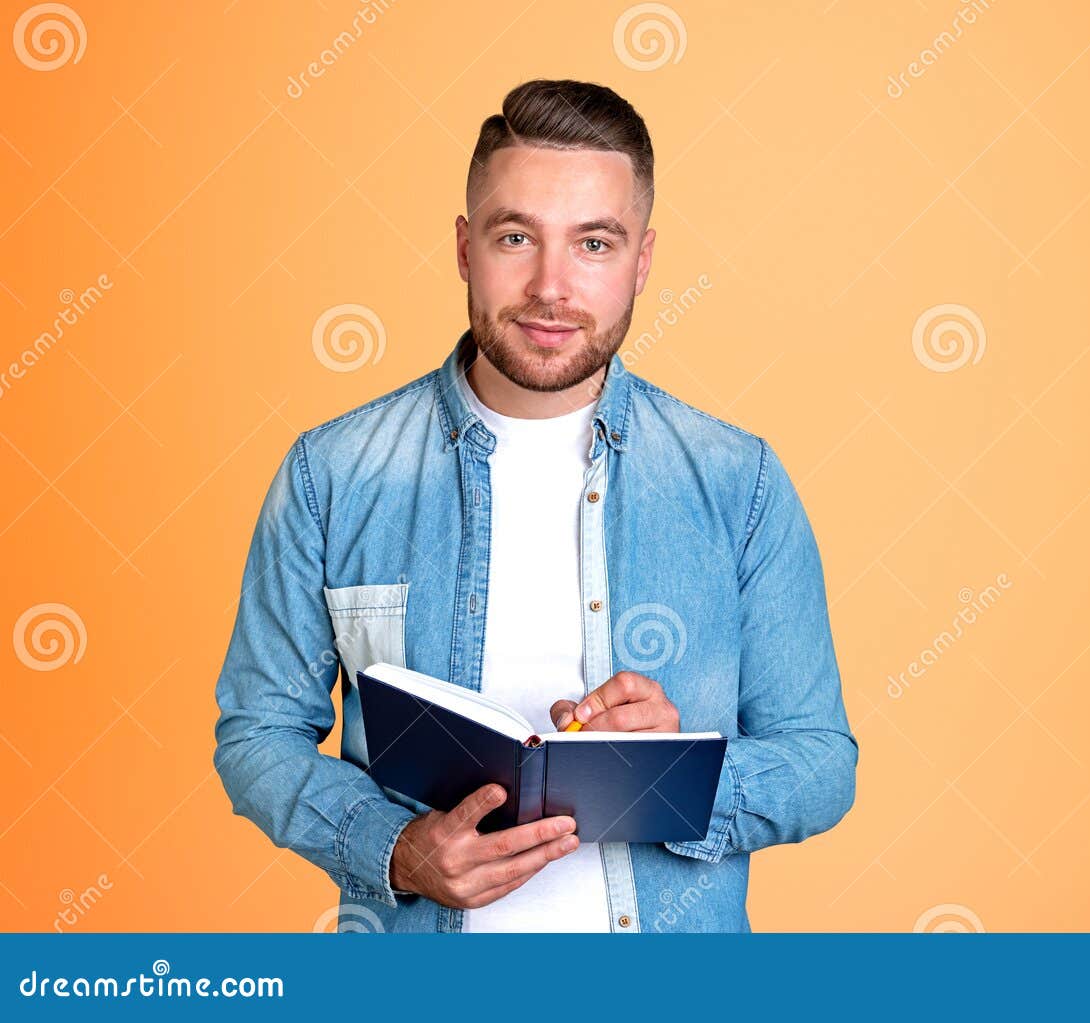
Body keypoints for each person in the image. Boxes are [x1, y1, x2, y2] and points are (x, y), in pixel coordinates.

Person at [211, 79, 857, 933]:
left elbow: (822, 766)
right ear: (463, 246)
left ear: (643, 259)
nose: (552, 286)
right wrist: (394, 844)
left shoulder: (740, 482)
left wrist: (673, 777)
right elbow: (256, 734)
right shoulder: (331, 473)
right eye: (516, 236)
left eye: (594, 242)